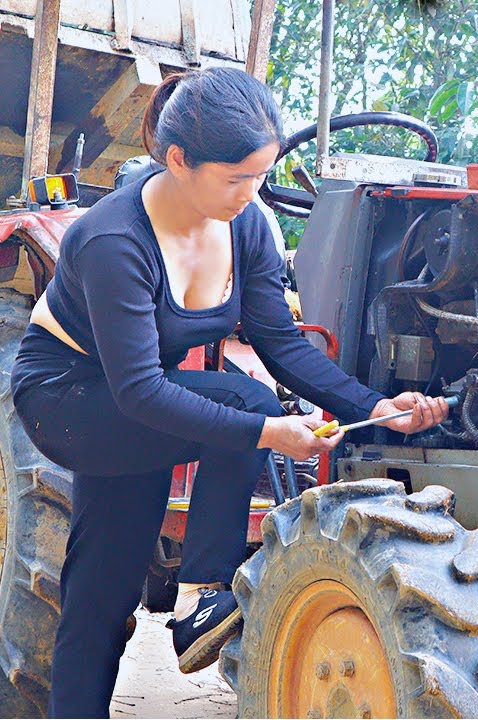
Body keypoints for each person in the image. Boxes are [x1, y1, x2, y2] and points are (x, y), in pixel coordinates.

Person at [10, 67, 450, 718]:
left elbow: (283, 344)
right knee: (247, 402)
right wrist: (270, 432)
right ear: (180, 160)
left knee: (101, 590)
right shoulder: (112, 238)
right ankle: (198, 598)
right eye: (235, 177)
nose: (251, 193)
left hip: (138, 397)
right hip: (67, 396)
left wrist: (374, 407)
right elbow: (139, 394)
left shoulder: (247, 227)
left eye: (260, 176)